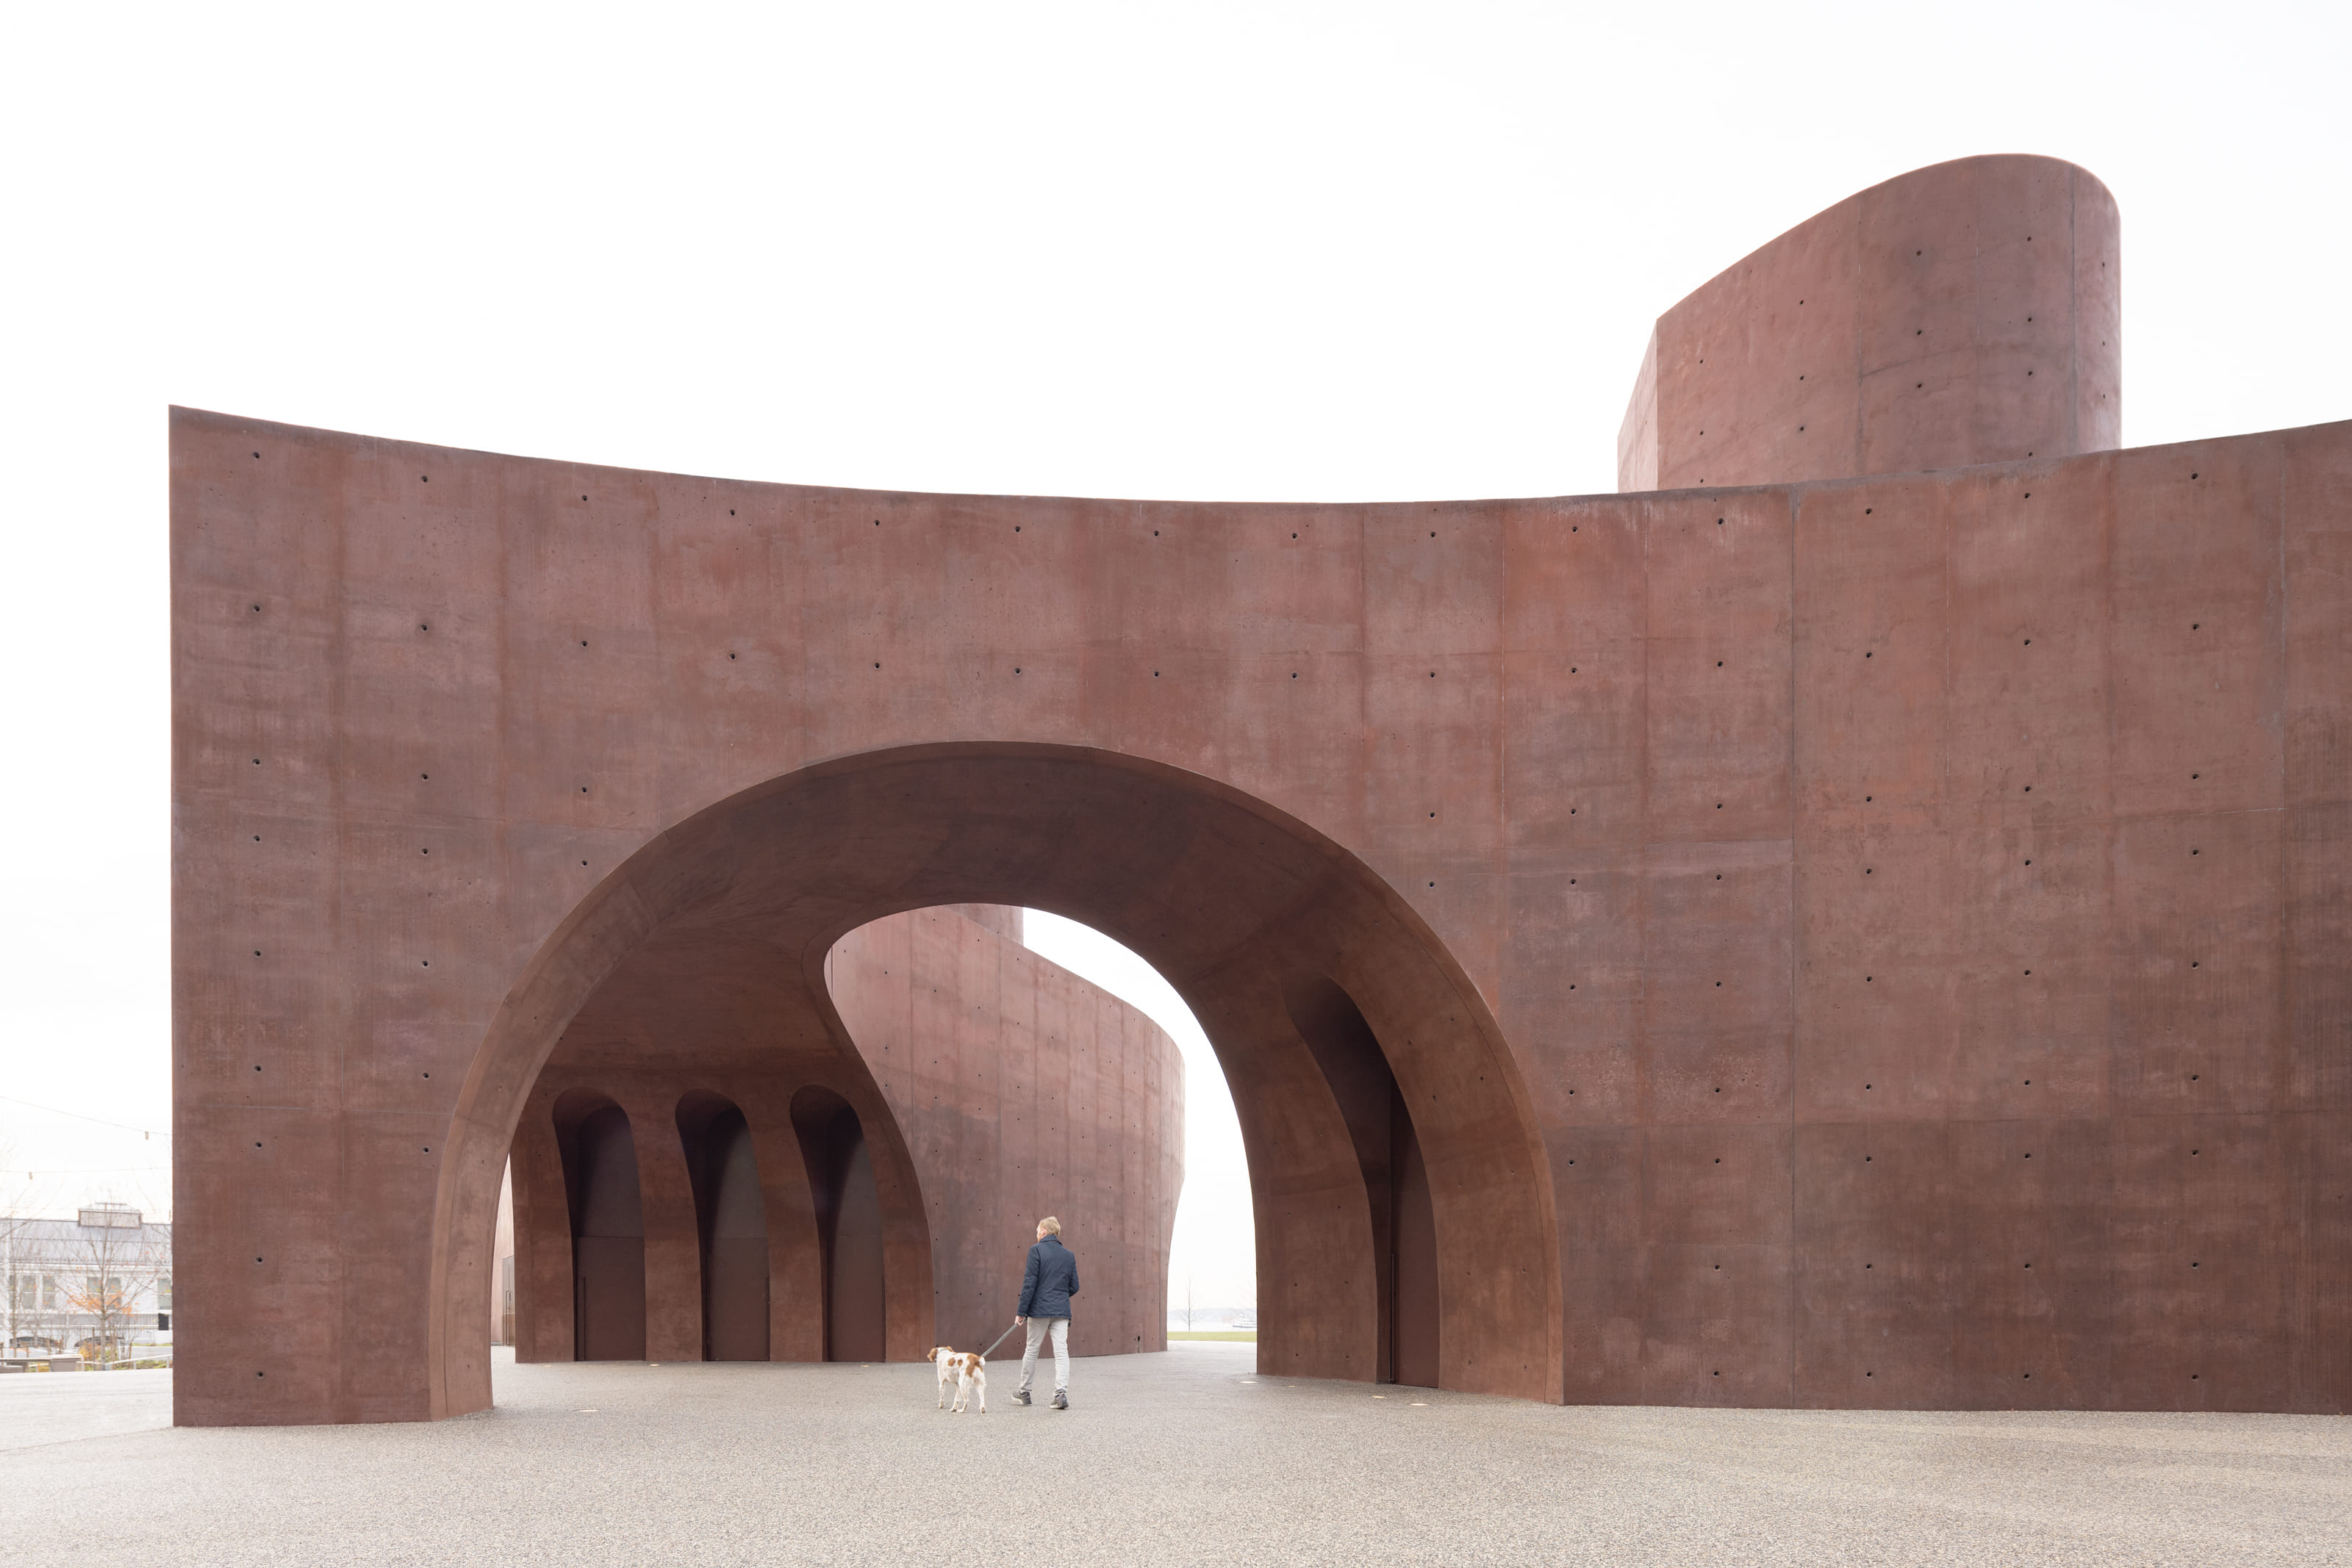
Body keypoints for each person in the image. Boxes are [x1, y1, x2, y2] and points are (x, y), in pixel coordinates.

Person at [1013, 1215, 1078, 1409]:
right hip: (1061, 1311)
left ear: (1044, 1231)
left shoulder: (1036, 1251)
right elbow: (1074, 1286)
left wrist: (1021, 1311)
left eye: (1037, 1231)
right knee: (1061, 1352)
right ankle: (1061, 1395)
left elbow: (1029, 1284)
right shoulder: (1069, 1255)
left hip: (1039, 1310)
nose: (1036, 1234)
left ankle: (1024, 1393)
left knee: (1032, 1350)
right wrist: (1058, 1296)